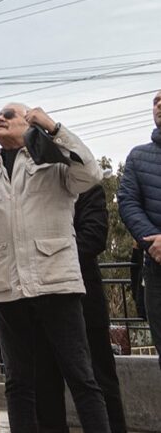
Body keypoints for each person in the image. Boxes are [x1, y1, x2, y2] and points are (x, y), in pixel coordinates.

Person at [0, 103, 109, 433]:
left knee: (81, 378)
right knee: (18, 383)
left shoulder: (52, 160)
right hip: (6, 287)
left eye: (9, 114)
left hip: (55, 283)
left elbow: (91, 174)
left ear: (30, 123)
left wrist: (54, 127)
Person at [33, 184, 126, 433]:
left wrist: (47, 256)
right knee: (45, 385)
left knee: (99, 379)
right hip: (41, 298)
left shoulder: (87, 187)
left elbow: (95, 236)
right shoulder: (33, 191)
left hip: (85, 298)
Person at [117, 89, 161, 365]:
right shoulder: (138, 157)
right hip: (156, 263)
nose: (159, 105)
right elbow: (128, 202)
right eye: (156, 101)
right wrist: (153, 243)